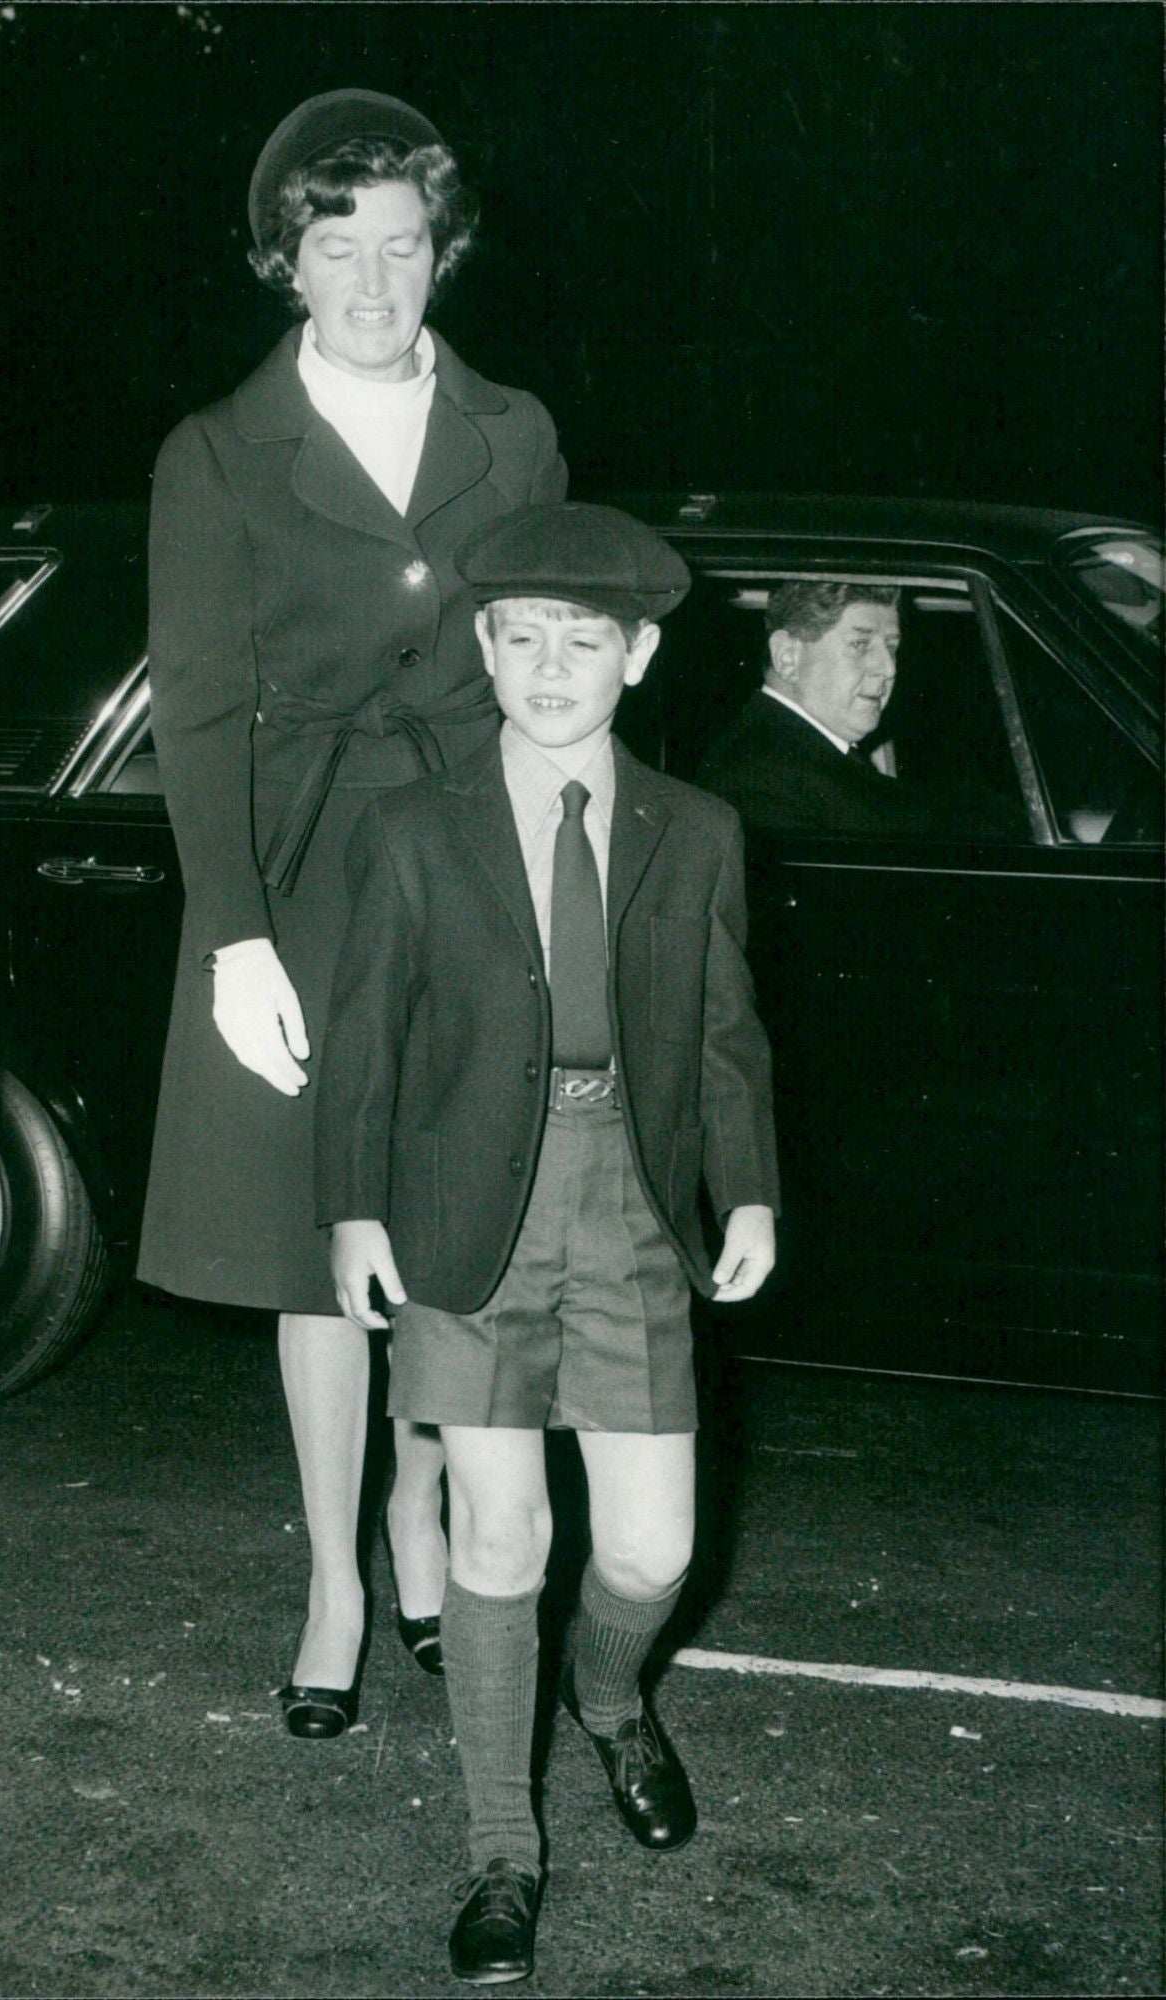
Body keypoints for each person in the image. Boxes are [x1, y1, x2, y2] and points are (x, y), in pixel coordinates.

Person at [137, 89, 567, 1737]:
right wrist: (233, 934)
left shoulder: (513, 433)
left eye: (402, 246)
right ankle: (332, 1579)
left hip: (463, 860)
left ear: (440, 252)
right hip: (300, 872)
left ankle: (416, 1513)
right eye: (338, 248)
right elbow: (197, 714)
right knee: (311, 1242)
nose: (374, 282)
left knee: (448, 1219)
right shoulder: (215, 454)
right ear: (286, 262)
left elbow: (545, 658)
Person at [315, 502, 779, 1983]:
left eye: (583, 642)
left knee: (650, 1546)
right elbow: (363, 1039)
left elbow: (722, 1033)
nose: (550, 667)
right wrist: (353, 1206)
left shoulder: (694, 831)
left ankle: (606, 1692)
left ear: (637, 657)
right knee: (498, 1535)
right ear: (483, 646)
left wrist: (748, 1190)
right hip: (465, 1205)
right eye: (521, 638)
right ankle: (499, 1851)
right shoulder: (412, 827)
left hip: (630, 1197)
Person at [697, 579, 1020, 838]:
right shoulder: (756, 783)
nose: (888, 668)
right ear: (787, 657)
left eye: (891, 647)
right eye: (860, 644)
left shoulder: (811, 758)